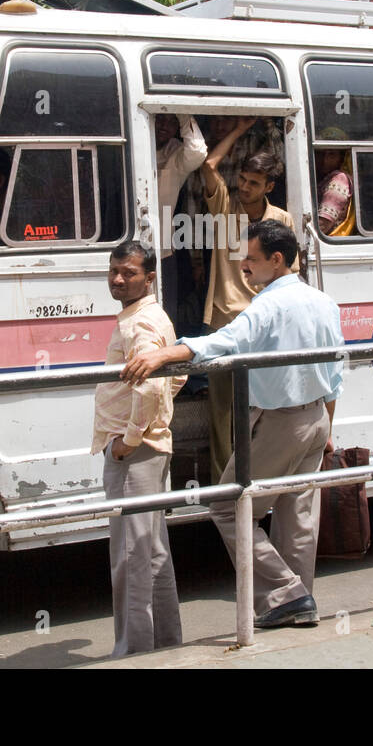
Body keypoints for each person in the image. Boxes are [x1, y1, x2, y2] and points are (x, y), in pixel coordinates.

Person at [121, 220, 344, 628]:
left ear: (276, 261)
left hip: (281, 421)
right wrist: (327, 429)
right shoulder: (323, 301)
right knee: (296, 515)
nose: (243, 266)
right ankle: (297, 603)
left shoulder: (268, 305)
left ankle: (288, 595)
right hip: (315, 419)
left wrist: (168, 354)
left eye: (250, 259)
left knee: (227, 505)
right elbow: (335, 375)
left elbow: (226, 340)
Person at [92, 241, 185, 657]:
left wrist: (127, 442)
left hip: (135, 452)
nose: (118, 279)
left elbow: (149, 384)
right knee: (151, 550)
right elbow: (173, 378)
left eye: (128, 273)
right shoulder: (149, 316)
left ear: (149, 278)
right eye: (114, 271)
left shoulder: (139, 324)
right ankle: (164, 643)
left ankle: (133, 652)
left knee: (131, 556)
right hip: (149, 445)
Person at [199, 117, 294, 484]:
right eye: (242, 180)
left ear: (269, 186)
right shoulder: (226, 212)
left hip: (266, 324)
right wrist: (238, 130)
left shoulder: (281, 220)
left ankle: (260, 481)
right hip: (225, 322)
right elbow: (208, 165)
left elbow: (290, 277)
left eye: (254, 184)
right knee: (222, 414)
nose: (245, 188)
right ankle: (226, 488)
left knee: (263, 407)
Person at [155, 114, 207, 317]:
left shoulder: (176, 152)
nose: (164, 126)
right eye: (160, 118)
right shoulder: (136, 145)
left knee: (166, 315)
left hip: (164, 250)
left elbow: (197, 150)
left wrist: (181, 112)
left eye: (171, 122)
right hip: (132, 247)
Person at [315, 129, 354, 236]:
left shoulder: (339, 179)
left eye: (332, 154)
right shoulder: (323, 177)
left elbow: (322, 226)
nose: (324, 160)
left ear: (342, 158)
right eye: (321, 153)